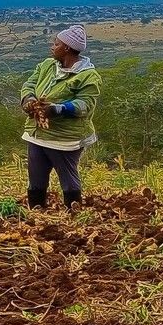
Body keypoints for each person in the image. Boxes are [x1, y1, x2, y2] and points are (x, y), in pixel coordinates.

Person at [19, 25, 102, 209]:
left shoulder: (88, 76)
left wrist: (57, 109)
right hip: (37, 133)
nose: (52, 46)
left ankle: (74, 217)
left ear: (66, 48)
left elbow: (85, 105)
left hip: (65, 138)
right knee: (36, 177)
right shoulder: (47, 66)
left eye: (56, 43)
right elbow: (29, 84)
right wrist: (30, 100)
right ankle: (36, 214)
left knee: (67, 177)